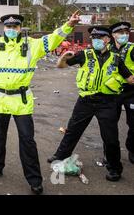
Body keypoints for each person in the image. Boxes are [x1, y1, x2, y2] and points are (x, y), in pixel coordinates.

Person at [0, 11, 80, 195]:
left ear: (20, 28)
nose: (11, 29)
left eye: (15, 26)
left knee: (27, 140)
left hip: (20, 100)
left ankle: (34, 180)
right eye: (8, 27)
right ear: (4, 28)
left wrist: (69, 24)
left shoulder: (33, 45)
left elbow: (53, 38)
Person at [48, 26, 134, 181]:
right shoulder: (84, 55)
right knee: (73, 130)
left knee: (111, 138)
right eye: (94, 38)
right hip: (85, 101)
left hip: (107, 103)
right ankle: (60, 155)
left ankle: (114, 169)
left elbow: (129, 78)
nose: (96, 41)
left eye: (100, 38)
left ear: (107, 40)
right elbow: (60, 66)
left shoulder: (116, 58)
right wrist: (63, 57)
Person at [108, 22, 134, 164]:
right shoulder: (107, 49)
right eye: (120, 32)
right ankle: (110, 153)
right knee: (110, 125)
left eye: (126, 32)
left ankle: (132, 148)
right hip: (112, 92)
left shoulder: (132, 48)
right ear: (113, 35)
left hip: (131, 91)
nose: (124, 35)